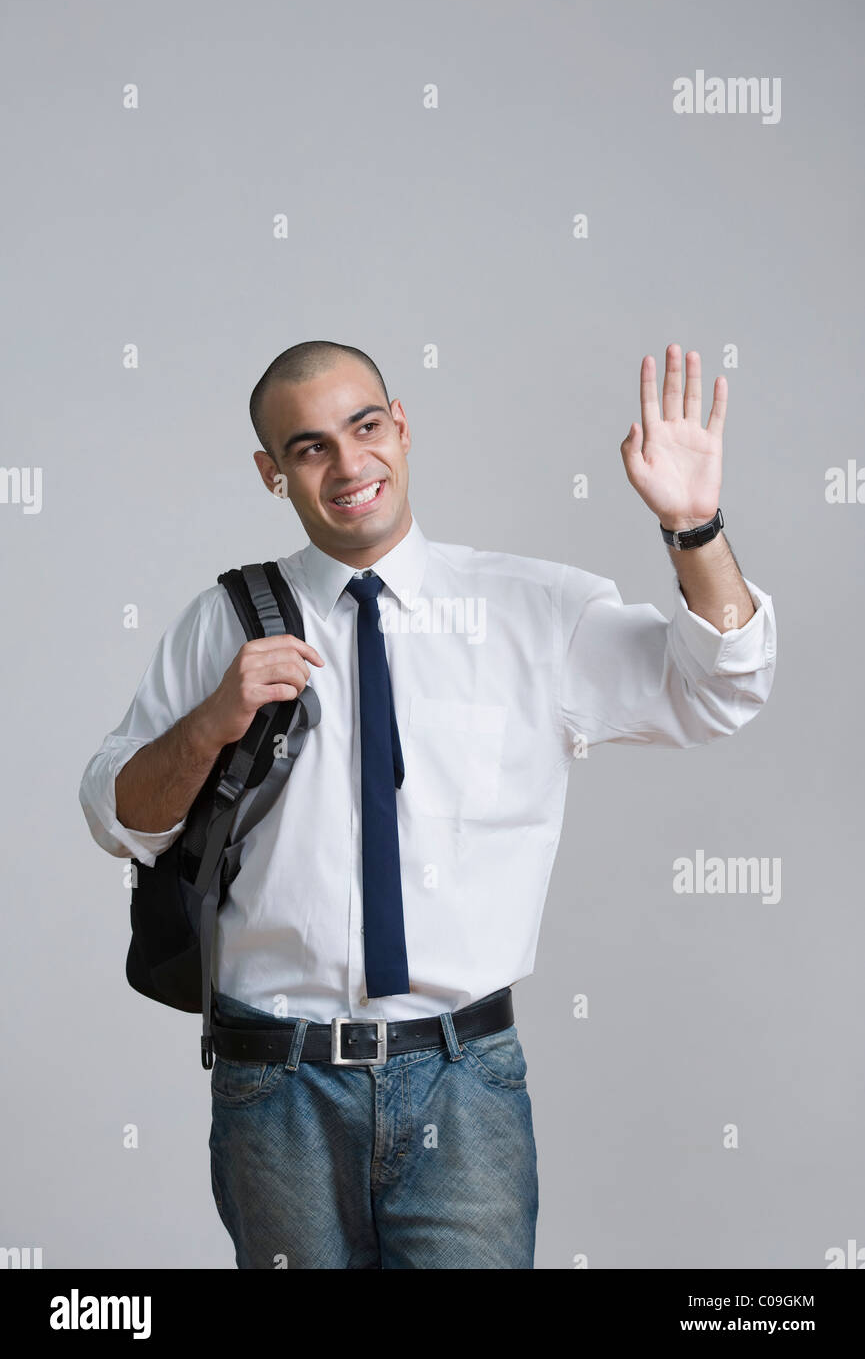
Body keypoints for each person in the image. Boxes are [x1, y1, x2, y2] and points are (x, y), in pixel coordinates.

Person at [79, 339, 777, 1269]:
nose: (347, 465)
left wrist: (694, 529)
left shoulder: (531, 609)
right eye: (308, 447)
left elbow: (718, 689)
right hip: (275, 1083)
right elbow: (121, 819)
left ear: (401, 428)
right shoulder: (226, 621)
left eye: (364, 428)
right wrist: (215, 717)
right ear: (271, 473)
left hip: (463, 1080)